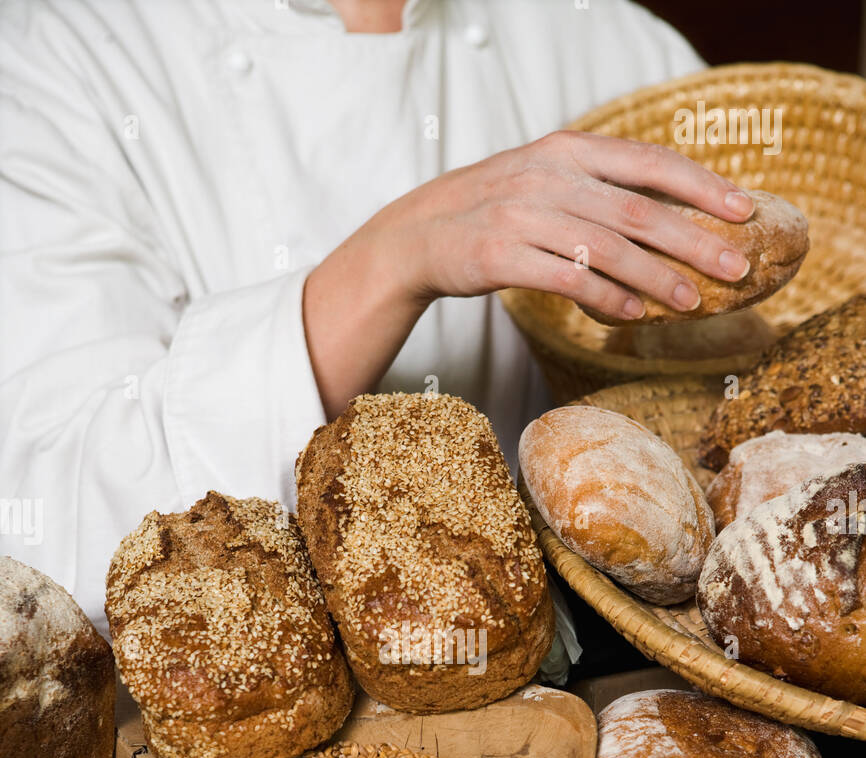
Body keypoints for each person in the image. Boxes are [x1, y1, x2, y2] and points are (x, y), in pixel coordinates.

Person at [0, 0, 753, 635]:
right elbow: (52, 543)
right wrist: (391, 260)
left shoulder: (603, 36)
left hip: (583, 685)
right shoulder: (52, 53)